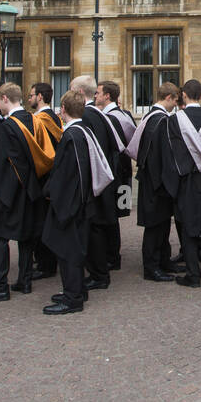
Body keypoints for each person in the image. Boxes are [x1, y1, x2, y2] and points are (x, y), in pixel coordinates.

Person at [41, 90, 114, 316]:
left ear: (63, 109)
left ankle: (73, 298)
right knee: (74, 249)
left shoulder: (71, 136)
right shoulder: (84, 131)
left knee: (68, 252)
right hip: (83, 203)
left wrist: (49, 192)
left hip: (71, 205)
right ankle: (77, 289)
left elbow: (65, 175)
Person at [0, 83, 44, 303]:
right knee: (26, 237)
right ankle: (24, 281)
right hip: (31, 190)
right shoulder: (34, 120)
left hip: (10, 192)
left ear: (5, 98)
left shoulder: (7, 127)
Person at [165, 79, 201, 289]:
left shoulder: (175, 120)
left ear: (184, 96)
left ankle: (193, 275)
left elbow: (172, 155)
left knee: (188, 227)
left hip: (186, 179)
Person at [71, 75, 125, 291]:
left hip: (94, 183)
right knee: (99, 228)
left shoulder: (88, 116)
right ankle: (100, 271)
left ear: (80, 93)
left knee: (95, 230)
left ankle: (99, 274)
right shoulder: (99, 115)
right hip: (103, 180)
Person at [125, 82, 179, 283]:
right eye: (175, 100)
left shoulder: (151, 118)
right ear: (168, 98)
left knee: (162, 226)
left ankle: (163, 260)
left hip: (154, 182)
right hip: (156, 183)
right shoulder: (160, 121)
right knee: (155, 227)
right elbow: (161, 157)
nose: (175, 104)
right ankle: (152, 266)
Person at [24, 83, 63, 286]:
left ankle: (46, 264)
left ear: (40, 96)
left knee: (41, 223)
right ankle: (49, 260)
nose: (28, 98)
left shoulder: (40, 120)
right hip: (53, 178)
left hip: (43, 177)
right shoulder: (56, 118)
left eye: (30, 95)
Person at [96, 80, 136, 271]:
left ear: (107, 96)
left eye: (98, 93)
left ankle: (112, 256)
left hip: (115, 172)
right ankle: (112, 254)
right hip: (123, 171)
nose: (96, 96)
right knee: (114, 213)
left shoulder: (111, 117)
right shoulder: (124, 114)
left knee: (110, 214)